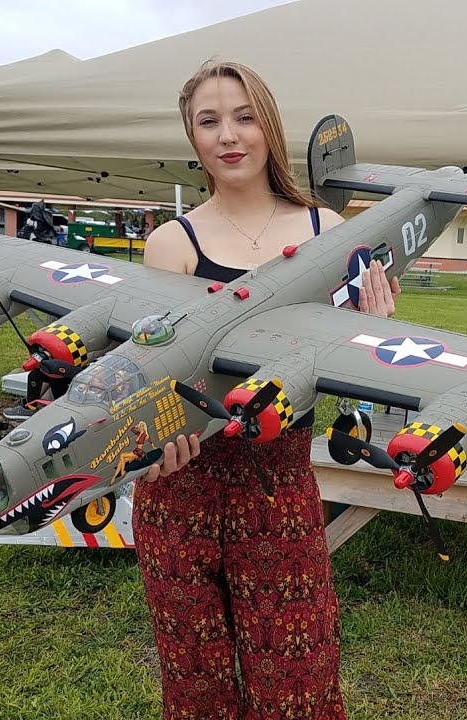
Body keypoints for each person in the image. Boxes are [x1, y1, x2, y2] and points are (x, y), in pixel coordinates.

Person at [135, 60, 399, 720]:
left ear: (269, 128)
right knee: (197, 683)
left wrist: (371, 332)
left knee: (297, 677)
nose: (229, 135)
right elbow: (162, 371)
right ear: (192, 137)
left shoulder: (325, 233)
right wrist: (157, 433)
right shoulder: (173, 243)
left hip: (277, 488)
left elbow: (341, 365)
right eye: (209, 121)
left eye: (244, 116)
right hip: (181, 488)